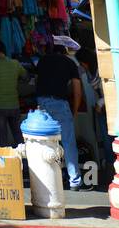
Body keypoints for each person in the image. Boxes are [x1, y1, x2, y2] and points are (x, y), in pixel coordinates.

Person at [35, 41, 84, 190]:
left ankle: (51, 177)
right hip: (59, 103)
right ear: (64, 51)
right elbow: (77, 90)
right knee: (68, 142)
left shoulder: (42, 60)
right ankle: (74, 180)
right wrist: (74, 111)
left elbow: (36, 83)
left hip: (42, 102)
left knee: (47, 141)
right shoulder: (70, 63)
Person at [0, 39, 28, 148]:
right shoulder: (15, 63)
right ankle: (23, 160)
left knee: (3, 138)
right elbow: (26, 77)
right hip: (14, 105)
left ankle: (5, 162)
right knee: (18, 135)